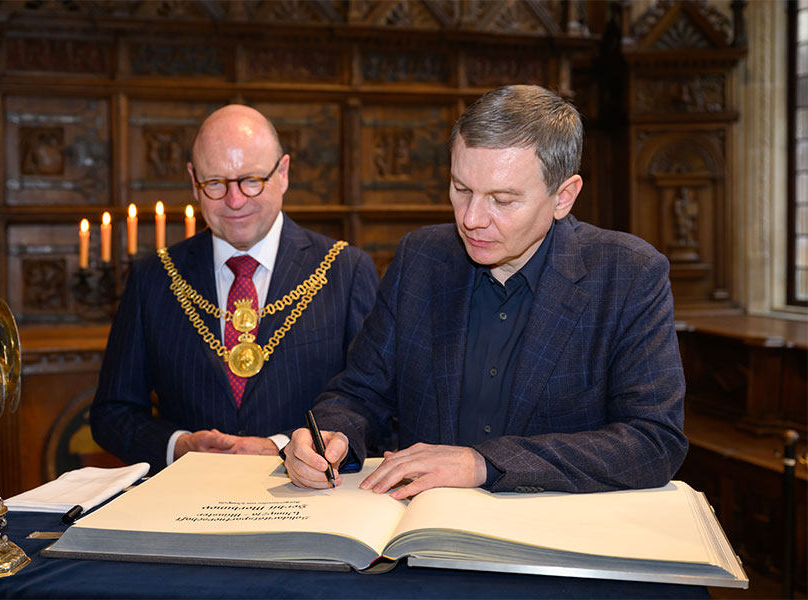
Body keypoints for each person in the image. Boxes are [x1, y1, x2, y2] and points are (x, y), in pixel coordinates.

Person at [284, 85, 688, 499]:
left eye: (502, 199)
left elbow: (653, 441)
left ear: (563, 197)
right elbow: (359, 393)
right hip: (424, 532)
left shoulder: (629, 274)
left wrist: (483, 462)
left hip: (551, 539)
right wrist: (330, 436)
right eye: (461, 190)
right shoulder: (420, 258)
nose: (472, 219)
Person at [90, 105, 379, 474]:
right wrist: (178, 445)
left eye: (251, 180)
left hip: (308, 501)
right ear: (194, 181)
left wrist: (285, 446)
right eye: (215, 183)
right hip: (187, 503)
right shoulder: (154, 277)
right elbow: (111, 413)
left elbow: (375, 406)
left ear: (284, 173)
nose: (235, 200)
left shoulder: (345, 270)